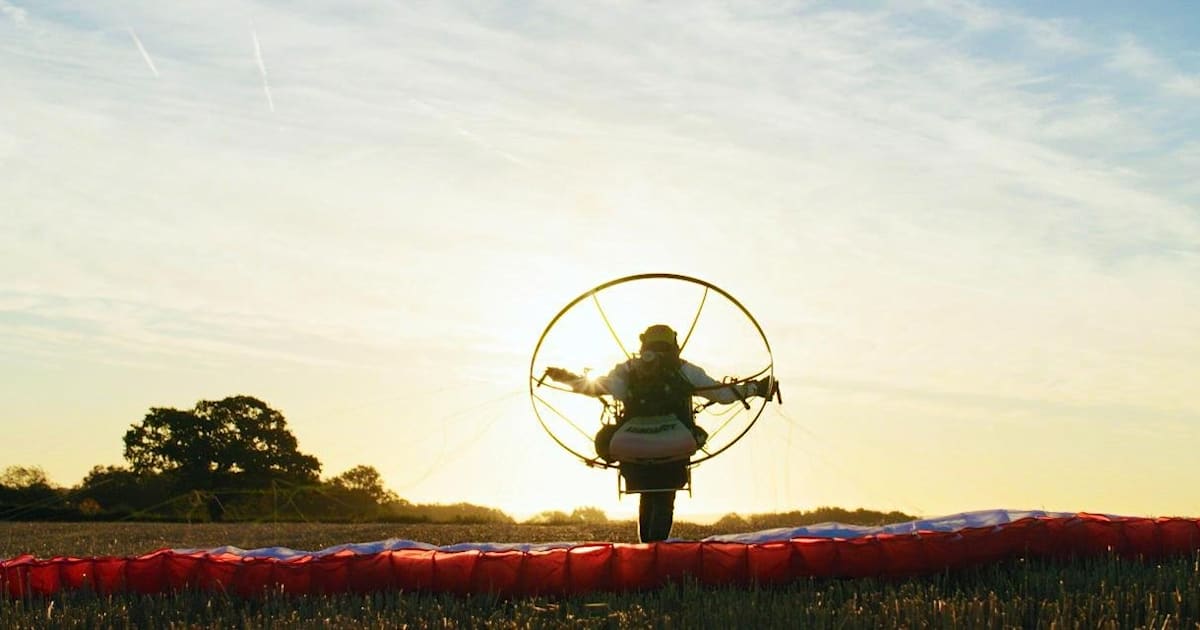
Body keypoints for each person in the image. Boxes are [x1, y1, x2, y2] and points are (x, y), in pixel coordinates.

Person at [544, 323, 777, 542]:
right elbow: (722, 394)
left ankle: (647, 555)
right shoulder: (684, 370)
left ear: (644, 345)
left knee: (647, 495)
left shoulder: (627, 370)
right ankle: (657, 555)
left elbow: (598, 387)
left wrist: (565, 377)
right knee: (665, 496)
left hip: (632, 446)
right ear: (673, 345)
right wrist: (755, 388)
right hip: (675, 444)